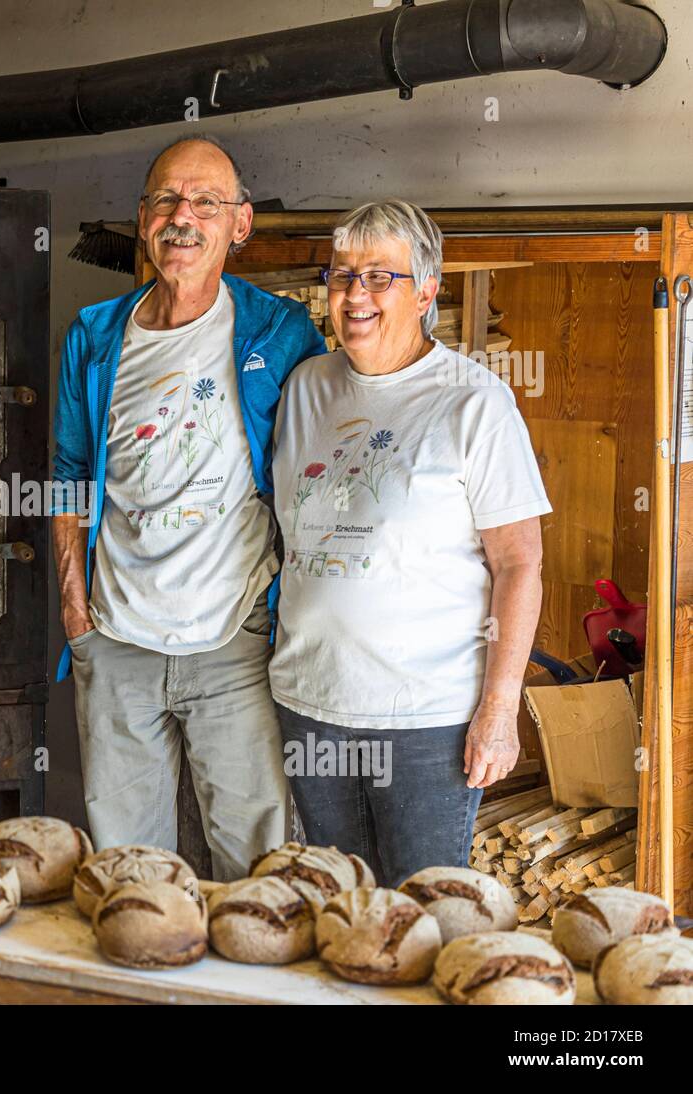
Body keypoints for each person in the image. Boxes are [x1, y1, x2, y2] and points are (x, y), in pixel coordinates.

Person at [49, 135, 326, 879]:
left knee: (257, 867)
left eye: (206, 202)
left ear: (239, 226)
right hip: (115, 638)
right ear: (142, 219)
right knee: (128, 869)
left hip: (232, 639)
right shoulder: (96, 336)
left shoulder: (281, 332)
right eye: (167, 199)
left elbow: (318, 470)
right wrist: (75, 606)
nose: (183, 216)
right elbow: (67, 473)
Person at [270, 199, 550, 885]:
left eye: (379, 278)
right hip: (312, 704)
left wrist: (499, 709)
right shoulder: (307, 388)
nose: (354, 294)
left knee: (427, 918)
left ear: (427, 292)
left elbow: (519, 564)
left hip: (426, 720)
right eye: (342, 276)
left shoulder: (474, 402)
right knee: (340, 910)